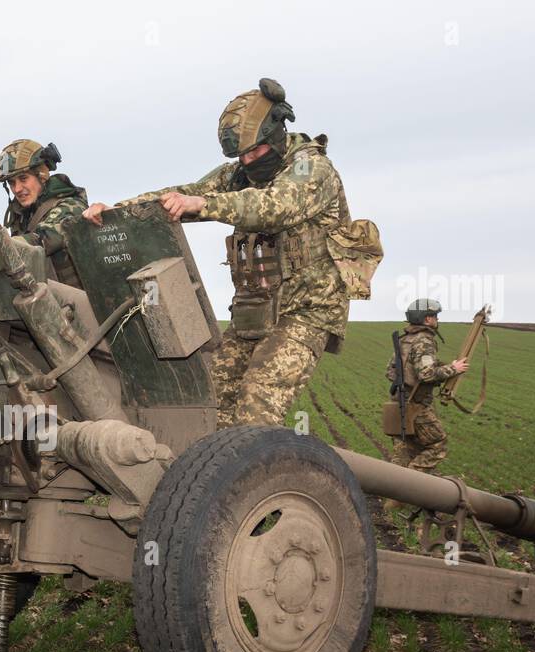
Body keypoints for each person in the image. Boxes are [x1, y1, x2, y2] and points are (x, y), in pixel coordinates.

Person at [83, 79, 382, 427]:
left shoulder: (310, 169)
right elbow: (182, 193)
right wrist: (114, 211)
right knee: (210, 404)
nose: (248, 160)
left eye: (255, 151)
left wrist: (203, 204)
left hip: (306, 311)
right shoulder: (241, 174)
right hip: (254, 311)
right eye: (241, 155)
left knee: (256, 408)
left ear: (277, 135)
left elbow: (274, 206)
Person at [385, 298, 468, 482]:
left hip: (397, 402)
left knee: (403, 452)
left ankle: (391, 494)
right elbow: (426, 374)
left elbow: (389, 371)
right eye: (435, 315)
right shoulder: (424, 341)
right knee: (438, 444)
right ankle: (410, 485)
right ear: (427, 319)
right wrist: (454, 369)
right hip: (417, 406)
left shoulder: (404, 339)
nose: (437, 319)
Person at [0, 139, 88, 289]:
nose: (17, 189)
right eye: (12, 183)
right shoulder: (23, 216)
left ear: (42, 175)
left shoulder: (70, 205)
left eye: (23, 178)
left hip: (80, 301)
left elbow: (43, 239)